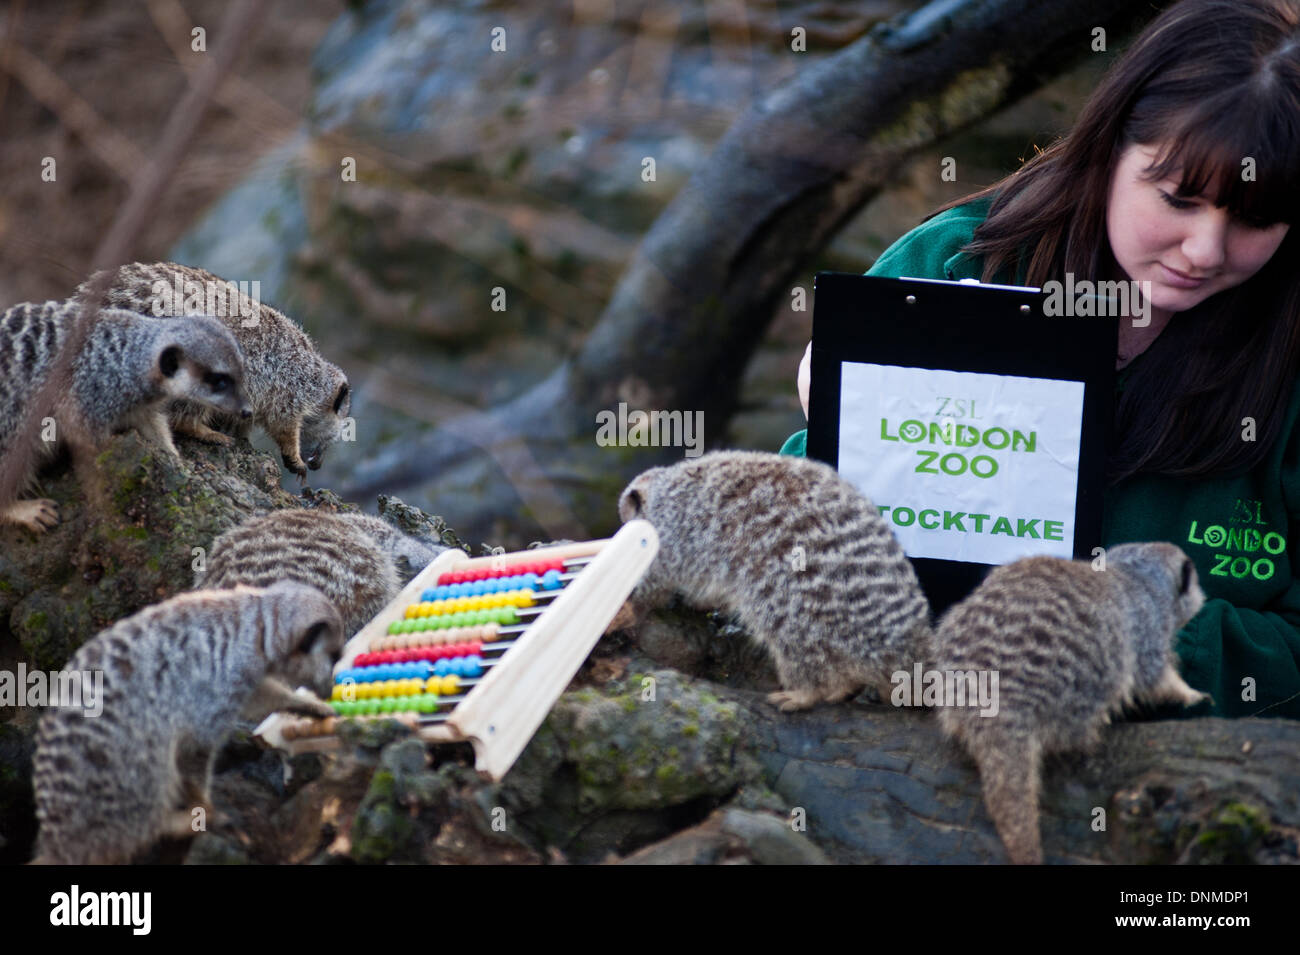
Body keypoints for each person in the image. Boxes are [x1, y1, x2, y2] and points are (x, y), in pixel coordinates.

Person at [780, 0, 1300, 718]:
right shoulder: (951, 268)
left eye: (1254, 219)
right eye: (1179, 199)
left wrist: (1131, 631)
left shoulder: (1287, 350)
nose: (1206, 250)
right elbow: (803, 553)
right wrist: (847, 424)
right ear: (1111, 146)